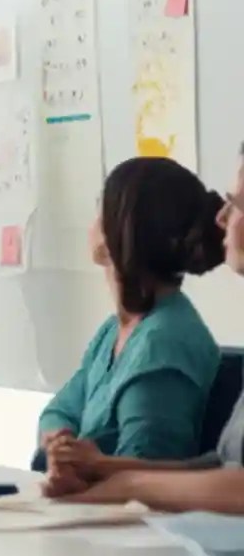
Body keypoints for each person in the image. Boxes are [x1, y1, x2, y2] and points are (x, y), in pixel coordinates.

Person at [49, 144, 244, 513]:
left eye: (237, 201)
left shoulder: (166, 339)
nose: (222, 217)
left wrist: (121, 480)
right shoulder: (113, 331)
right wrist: (97, 466)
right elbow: (219, 469)